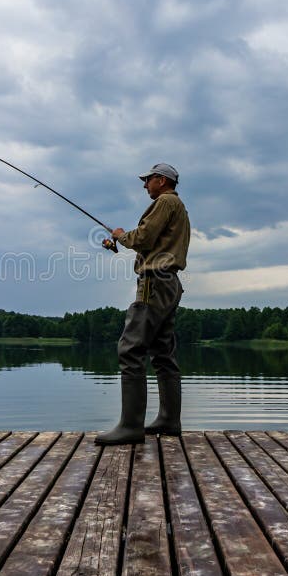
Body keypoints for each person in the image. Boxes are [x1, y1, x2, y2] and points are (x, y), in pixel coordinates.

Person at [95, 163, 191, 445]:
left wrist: (121, 236)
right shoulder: (179, 207)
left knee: (131, 347)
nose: (144, 185)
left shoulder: (164, 202)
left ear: (162, 180)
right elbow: (152, 243)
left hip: (154, 283)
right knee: (162, 352)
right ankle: (169, 420)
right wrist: (123, 241)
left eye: (147, 180)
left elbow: (144, 237)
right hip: (170, 283)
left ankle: (130, 427)